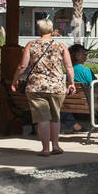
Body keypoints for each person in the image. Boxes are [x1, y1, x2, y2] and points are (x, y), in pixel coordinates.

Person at [11, 18, 75, 156]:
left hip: (36, 86)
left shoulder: (31, 45)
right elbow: (69, 67)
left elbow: (22, 66)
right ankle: (56, 146)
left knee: (42, 118)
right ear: (52, 30)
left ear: (38, 30)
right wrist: (71, 83)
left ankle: (45, 149)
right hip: (57, 86)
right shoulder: (61, 46)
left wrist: (14, 80)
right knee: (55, 117)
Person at [62, 44, 95, 134]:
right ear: (77, 56)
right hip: (87, 103)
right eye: (84, 53)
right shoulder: (86, 70)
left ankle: (74, 125)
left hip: (72, 102)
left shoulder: (69, 70)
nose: (86, 55)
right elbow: (96, 87)